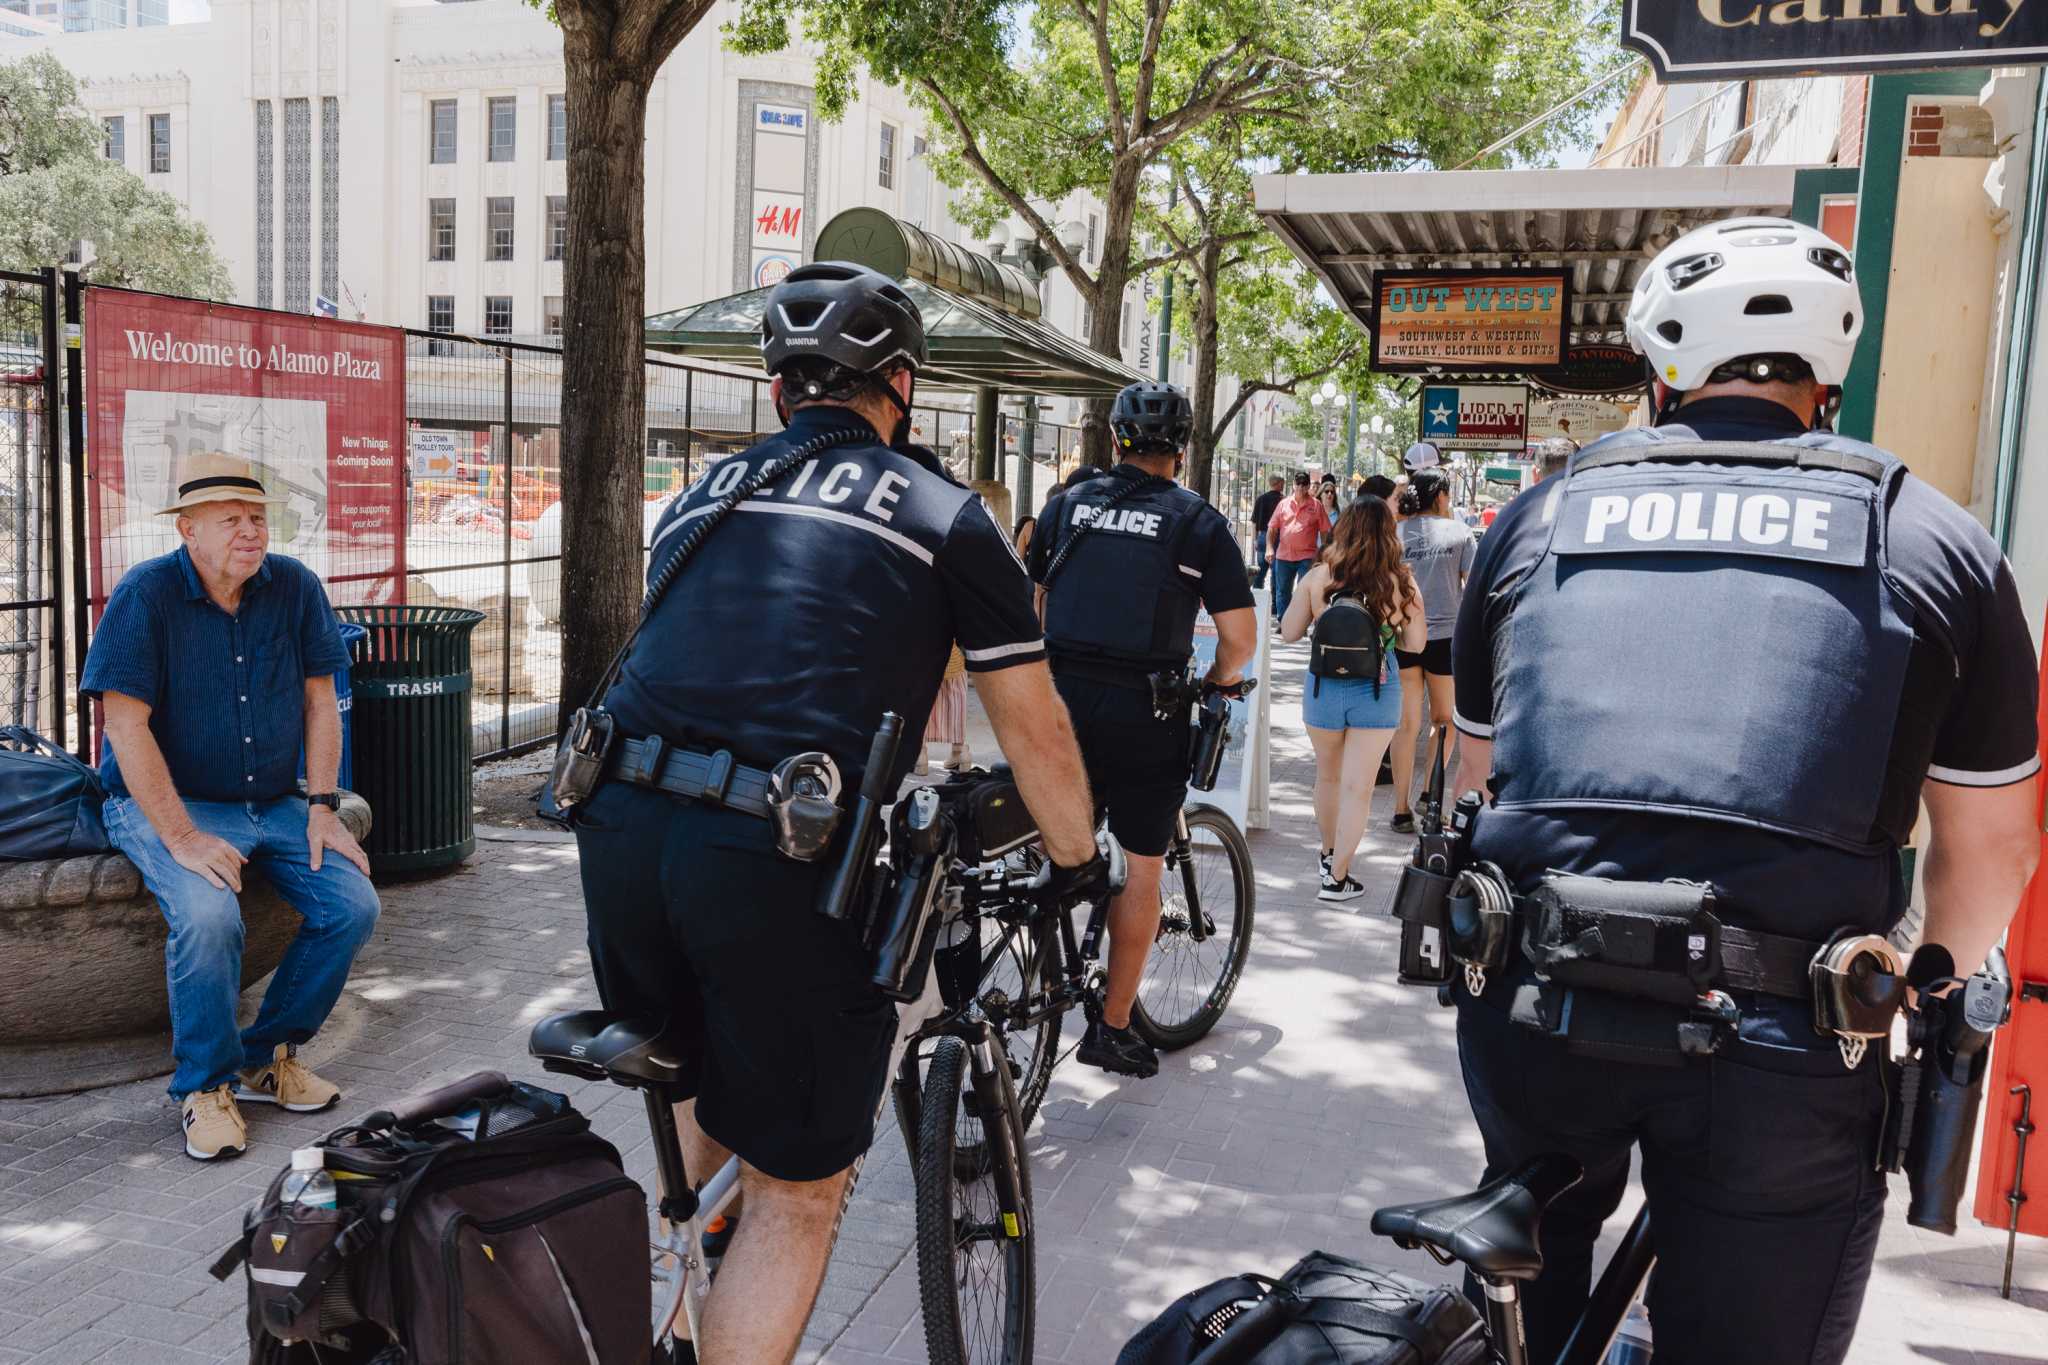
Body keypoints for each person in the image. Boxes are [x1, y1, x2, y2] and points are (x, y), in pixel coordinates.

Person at [1447, 218, 2041, 1364]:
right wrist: (1922, 985)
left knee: (1528, 1285)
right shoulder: (1933, 541)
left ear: (1660, 369)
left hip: (1537, 1010)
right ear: (1831, 372)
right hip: (1778, 1048)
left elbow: (1483, 778)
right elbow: (1993, 849)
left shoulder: (1537, 518)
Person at [569, 261, 1104, 1364]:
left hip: (617, 825)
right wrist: (1077, 855)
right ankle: (727, 1301)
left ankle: (684, 1292)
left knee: (688, 1072)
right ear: (900, 387)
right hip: (773, 849)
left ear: (777, 395)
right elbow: (1035, 729)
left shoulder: (702, 496)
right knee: (796, 1191)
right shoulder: (946, 513)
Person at [79, 453, 380, 1162]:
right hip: (166, 803)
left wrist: (323, 805)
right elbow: (125, 726)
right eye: (231, 520)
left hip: (272, 800)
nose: (251, 532)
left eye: (258, 518)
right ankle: (203, 1087)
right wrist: (181, 835)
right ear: (187, 530)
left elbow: (320, 701)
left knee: (354, 905)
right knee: (210, 914)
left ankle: (264, 1057)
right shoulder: (145, 595)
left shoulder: (294, 587)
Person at [1029, 381, 1257, 1079]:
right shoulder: (1198, 524)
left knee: (1052, 855)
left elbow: (1034, 603)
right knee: (1141, 875)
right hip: (1145, 716)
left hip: (1058, 707)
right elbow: (1240, 638)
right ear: (1182, 453)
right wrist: (1218, 678)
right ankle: (1114, 1025)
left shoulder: (1065, 506)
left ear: (1117, 441)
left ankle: (1036, 980)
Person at [1279, 497, 1423, 900]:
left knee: (1327, 776)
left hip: (1323, 687)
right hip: (1377, 690)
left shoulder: (1318, 576)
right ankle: (1338, 877)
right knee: (1359, 787)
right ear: (1388, 533)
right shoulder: (1400, 580)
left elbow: (1289, 632)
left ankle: (1327, 854)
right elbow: (1417, 643)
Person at [1389, 468, 1474, 832]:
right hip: (1445, 638)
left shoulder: (1394, 534)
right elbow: (1474, 587)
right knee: (1443, 720)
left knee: (1405, 725)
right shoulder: (1460, 533)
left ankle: (1400, 809)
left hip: (1403, 636)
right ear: (1440, 495)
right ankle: (1431, 795)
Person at [1265, 472, 1329, 621]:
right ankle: (1284, 620)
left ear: (1308, 486)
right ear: (1293, 485)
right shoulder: (1283, 504)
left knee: (1304, 590)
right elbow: (1272, 528)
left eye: (1304, 484)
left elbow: (1325, 531)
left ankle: (1301, 622)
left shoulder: (1316, 505)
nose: (1300, 487)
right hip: (1284, 555)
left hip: (1307, 556)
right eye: (1298, 483)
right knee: (1282, 591)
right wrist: (1269, 547)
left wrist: (1324, 551)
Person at [1250, 473, 1285, 597]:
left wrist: (1255, 539)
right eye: (1283, 483)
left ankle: (1257, 598)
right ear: (1278, 483)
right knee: (1276, 572)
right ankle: (1274, 603)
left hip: (1262, 537)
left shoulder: (1260, 499)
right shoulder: (1283, 500)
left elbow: (1254, 522)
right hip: (1278, 537)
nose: (1283, 485)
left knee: (1260, 571)